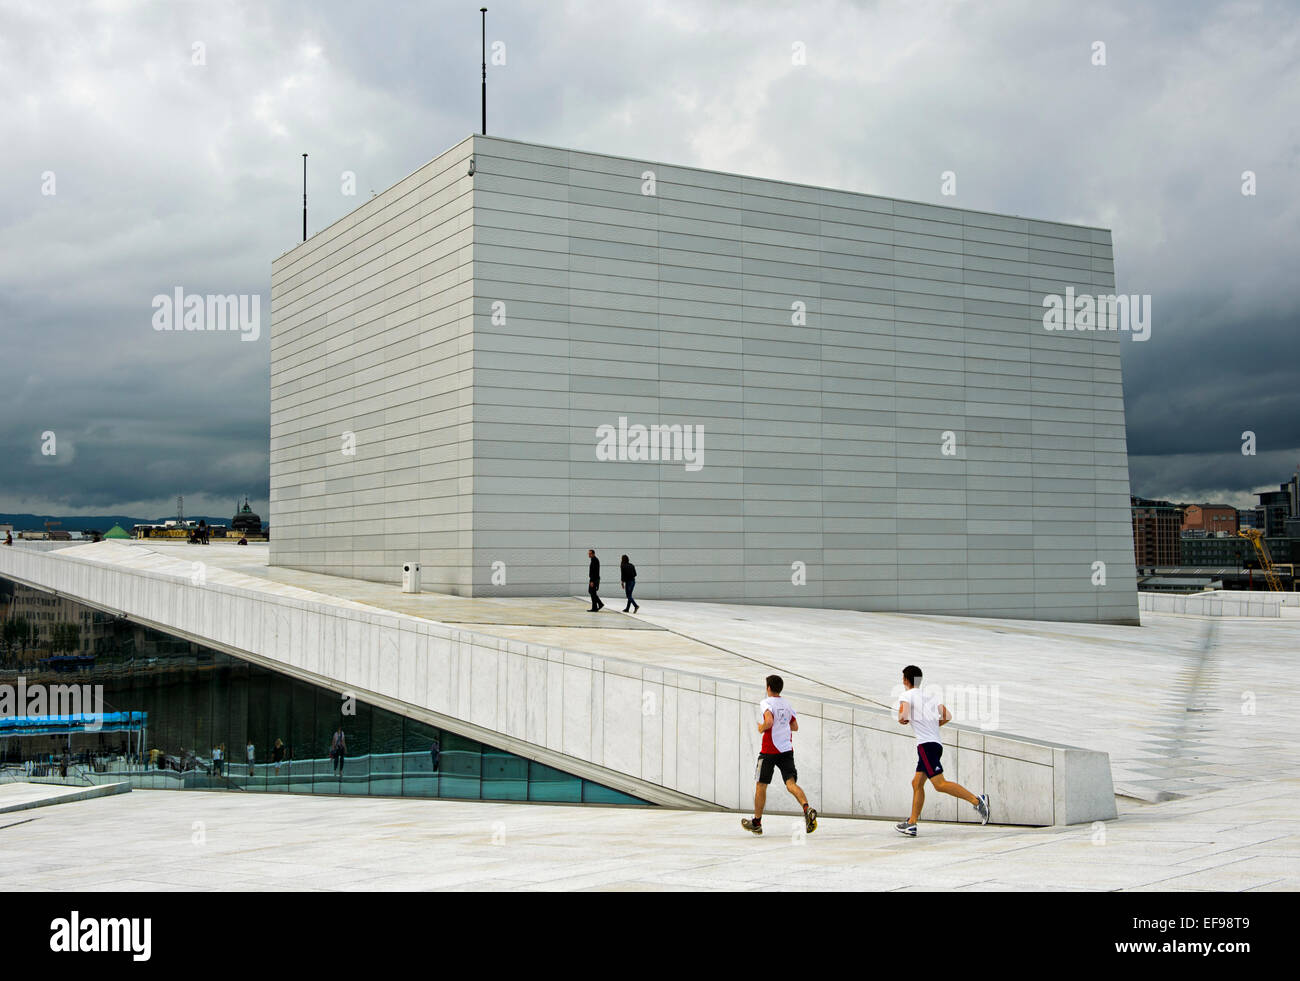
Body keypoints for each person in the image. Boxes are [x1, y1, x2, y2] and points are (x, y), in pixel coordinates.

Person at [895, 664, 990, 836]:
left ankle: (977, 801)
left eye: (903, 678)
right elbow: (947, 716)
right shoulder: (930, 697)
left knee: (939, 784)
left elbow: (903, 716)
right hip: (935, 744)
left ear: (906, 680)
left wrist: (902, 718)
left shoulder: (906, 695)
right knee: (917, 783)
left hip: (925, 746)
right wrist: (932, 726)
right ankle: (911, 823)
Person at [742, 675, 817, 836]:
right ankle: (806, 807)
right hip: (786, 749)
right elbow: (795, 726)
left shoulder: (766, 702)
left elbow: (768, 721)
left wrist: (762, 727)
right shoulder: (787, 704)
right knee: (790, 784)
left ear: (768, 688)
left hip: (769, 750)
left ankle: (757, 822)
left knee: (761, 785)